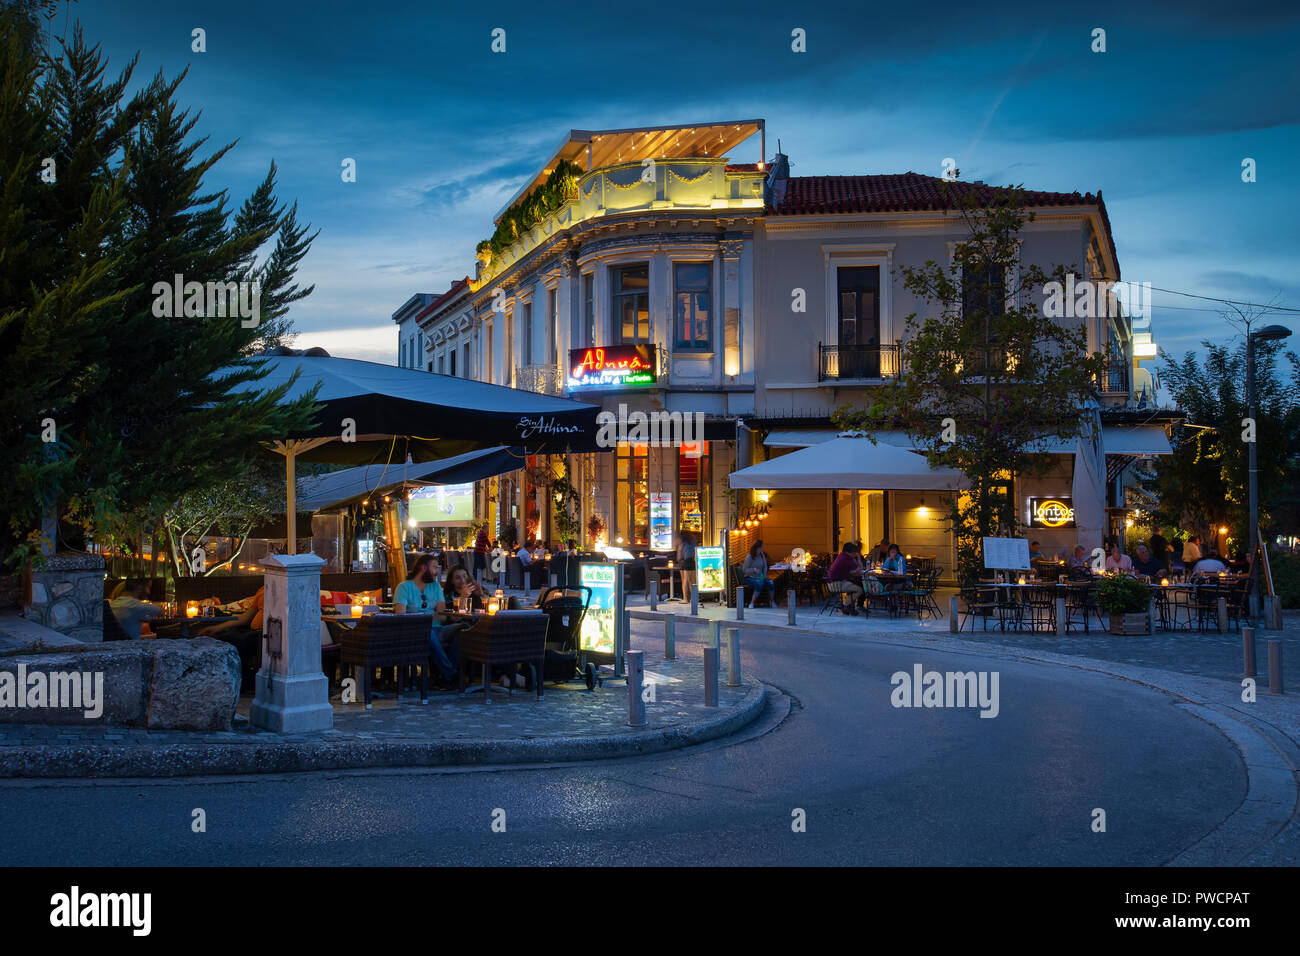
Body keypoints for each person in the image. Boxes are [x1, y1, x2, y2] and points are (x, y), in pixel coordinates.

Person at [394, 553, 457, 687]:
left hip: (438, 629)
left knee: (464, 629)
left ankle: (445, 673)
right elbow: (401, 616)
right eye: (434, 567)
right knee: (426, 631)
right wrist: (427, 618)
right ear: (423, 568)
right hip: (414, 632)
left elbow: (442, 615)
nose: (437, 572)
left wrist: (420, 616)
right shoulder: (404, 587)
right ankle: (451, 674)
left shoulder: (436, 587)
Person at [827, 542, 865, 613]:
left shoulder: (841, 556)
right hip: (836, 585)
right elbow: (860, 569)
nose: (855, 554)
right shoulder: (847, 559)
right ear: (849, 552)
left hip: (832, 583)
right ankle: (844, 605)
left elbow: (851, 571)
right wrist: (859, 558)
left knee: (853, 585)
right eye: (854, 552)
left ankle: (849, 608)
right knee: (859, 590)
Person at [742, 540, 775, 608]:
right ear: (758, 548)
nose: (763, 548)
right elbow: (744, 570)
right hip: (750, 577)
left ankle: (772, 601)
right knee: (759, 583)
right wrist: (754, 570)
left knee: (771, 583)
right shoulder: (750, 557)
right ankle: (752, 603)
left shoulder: (762, 555)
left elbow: (765, 566)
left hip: (760, 576)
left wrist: (764, 575)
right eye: (762, 547)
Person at [676, 531, 697, 602]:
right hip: (692, 562)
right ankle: (693, 598)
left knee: (685, 580)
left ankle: (685, 598)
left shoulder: (682, 544)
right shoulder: (693, 543)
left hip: (684, 562)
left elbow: (679, 557)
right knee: (692, 581)